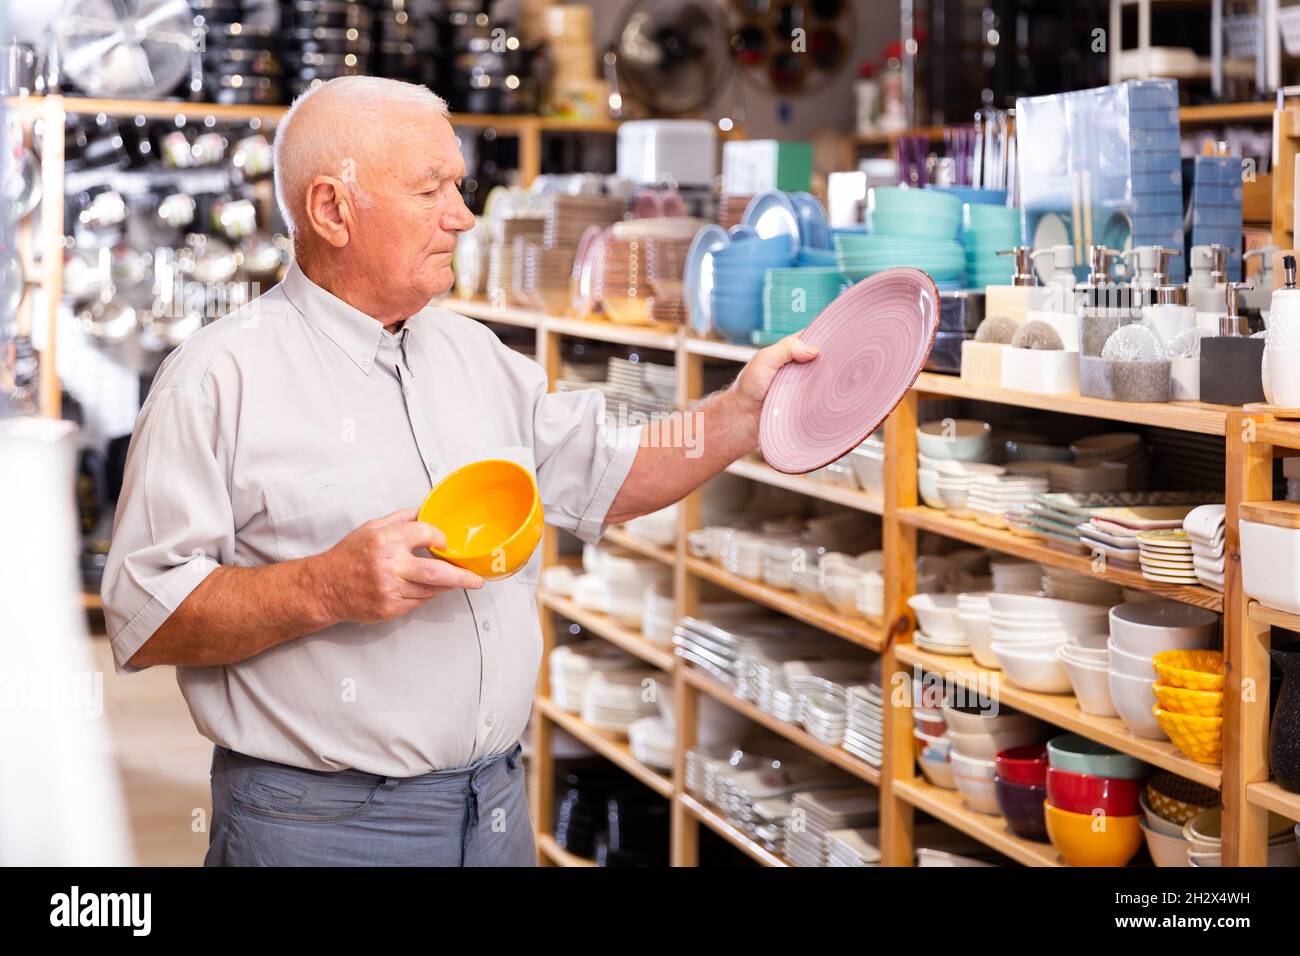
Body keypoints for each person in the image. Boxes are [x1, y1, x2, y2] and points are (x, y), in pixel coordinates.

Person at [102, 76, 818, 866]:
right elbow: (145, 612)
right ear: (331, 210)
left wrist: (740, 415)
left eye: (459, 184)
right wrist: (326, 586)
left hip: (497, 809)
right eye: (430, 189)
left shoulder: (476, 354)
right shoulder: (215, 379)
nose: (463, 215)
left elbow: (609, 472)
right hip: (319, 830)